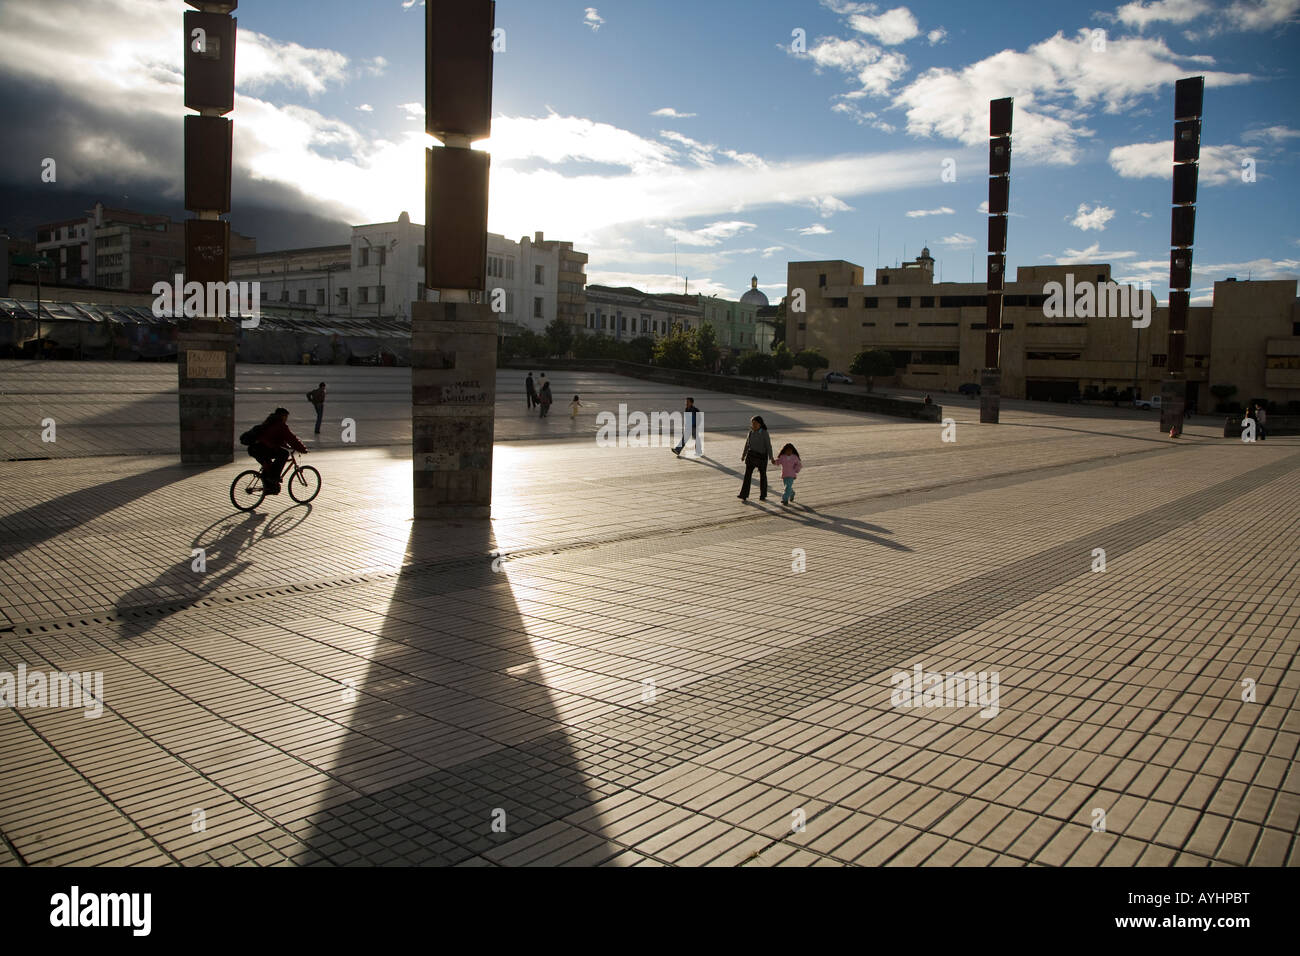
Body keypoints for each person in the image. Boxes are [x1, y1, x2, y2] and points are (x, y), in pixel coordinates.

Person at [250, 407, 307, 494]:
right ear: (282, 416)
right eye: (286, 417)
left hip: (255, 448)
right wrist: (302, 449)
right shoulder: (280, 425)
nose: (286, 419)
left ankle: (268, 486)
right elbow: (292, 439)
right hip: (263, 449)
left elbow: (276, 438)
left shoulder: (270, 422)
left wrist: (286, 445)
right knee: (284, 454)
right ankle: (273, 479)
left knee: (269, 467)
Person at [737, 415, 773, 501]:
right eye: (752, 423)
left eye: (756, 423)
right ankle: (744, 494)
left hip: (762, 457)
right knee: (747, 476)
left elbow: (768, 445)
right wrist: (743, 455)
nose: (754, 425)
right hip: (751, 456)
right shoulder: (750, 432)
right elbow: (747, 444)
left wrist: (771, 457)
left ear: (760, 424)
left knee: (763, 475)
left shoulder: (764, 433)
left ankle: (763, 495)